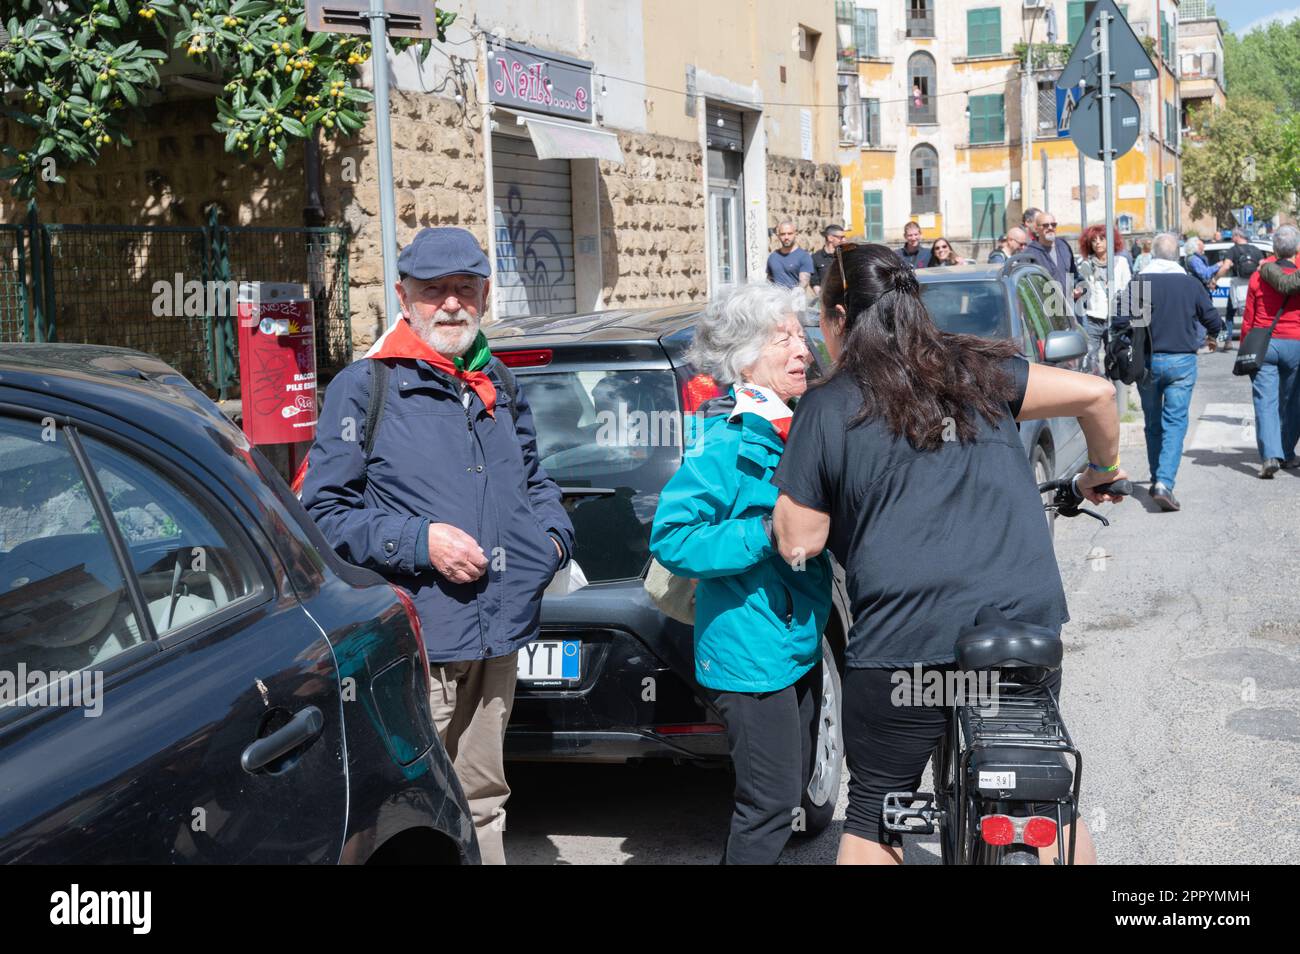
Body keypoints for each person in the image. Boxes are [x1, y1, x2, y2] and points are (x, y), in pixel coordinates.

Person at [770, 243, 1124, 865]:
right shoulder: (978, 371)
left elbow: (801, 540)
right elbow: (1097, 395)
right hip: (1017, 628)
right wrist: (1102, 470)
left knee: (877, 810)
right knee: (1041, 793)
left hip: (907, 648)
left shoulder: (827, 405)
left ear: (836, 318)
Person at [301, 227, 575, 864]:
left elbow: (536, 478)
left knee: (483, 797)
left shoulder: (496, 380)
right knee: (407, 806)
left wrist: (554, 543)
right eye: (433, 292)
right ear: (404, 296)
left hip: (500, 634)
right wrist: (420, 542)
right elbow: (322, 513)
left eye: (464, 288)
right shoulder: (364, 387)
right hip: (422, 644)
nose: (451, 304)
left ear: (484, 292)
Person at [649, 283, 832, 865]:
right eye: (782, 339)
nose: (801, 349)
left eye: (801, 334)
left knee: (790, 792)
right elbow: (672, 538)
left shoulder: (797, 422)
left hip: (795, 641)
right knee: (770, 805)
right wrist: (762, 536)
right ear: (743, 360)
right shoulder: (727, 439)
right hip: (749, 654)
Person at [1113, 233, 1223, 511]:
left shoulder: (1140, 282)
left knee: (1152, 422)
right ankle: (1164, 482)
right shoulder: (1190, 284)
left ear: (1152, 256)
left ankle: (1155, 478)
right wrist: (1210, 335)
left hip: (1147, 361)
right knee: (1175, 423)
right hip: (1181, 362)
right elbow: (1213, 320)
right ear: (1178, 257)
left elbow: (1120, 320)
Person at [1239, 224, 1300, 476]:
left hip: (1265, 342)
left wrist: (1245, 346)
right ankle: (1286, 452)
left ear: (1273, 248)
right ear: (1295, 249)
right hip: (1296, 341)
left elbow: (1249, 316)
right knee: (1293, 401)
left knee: (1265, 402)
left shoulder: (1259, 275)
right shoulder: (1297, 274)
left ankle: (1269, 456)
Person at [1077, 224, 1132, 376]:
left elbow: (1128, 287)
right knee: (1089, 357)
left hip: (1115, 318)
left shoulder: (1121, 262)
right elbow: (1082, 285)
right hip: (1093, 317)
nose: (1098, 243)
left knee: (1114, 356)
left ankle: (1115, 389)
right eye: (1094, 240)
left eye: (1102, 238)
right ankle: (1098, 387)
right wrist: (1079, 291)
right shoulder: (1085, 264)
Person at [1018, 210, 1083, 307]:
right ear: (1036, 229)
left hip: (1070, 309)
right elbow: (1024, 287)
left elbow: (1073, 274)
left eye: (1053, 225)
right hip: (1046, 314)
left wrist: (1079, 288)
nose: (1050, 228)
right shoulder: (1029, 254)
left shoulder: (1064, 245)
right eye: (1045, 225)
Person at [1218, 228, 1265, 350]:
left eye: (1233, 236)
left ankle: (1227, 341)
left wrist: (1215, 279)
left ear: (1238, 236)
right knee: (1253, 313)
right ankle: (1253, 340)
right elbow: (1263, 264)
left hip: (1237, 286)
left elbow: (1226, 266)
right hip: (1253, 285)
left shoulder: (1232, 250)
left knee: (1229, 314)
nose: (1232, 238)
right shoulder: (1255, 249)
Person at [766, 219, 814, 290]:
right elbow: (769, 280)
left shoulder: (804, 256)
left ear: (795, 234)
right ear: (778, 235)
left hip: (795, 299)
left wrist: (793, 296)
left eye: (789, 234)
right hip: (775, 299)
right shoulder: (773, 257)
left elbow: (804, 282)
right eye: (783, 234)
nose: (786, 237)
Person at [811, 224, 845, 297]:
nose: (844, 240)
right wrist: (822, 298)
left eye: (844, 237)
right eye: (841, 238)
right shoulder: (816, 258)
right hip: (826, 300)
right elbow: (814, 282)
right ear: (830, 238)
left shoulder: (846, 256)